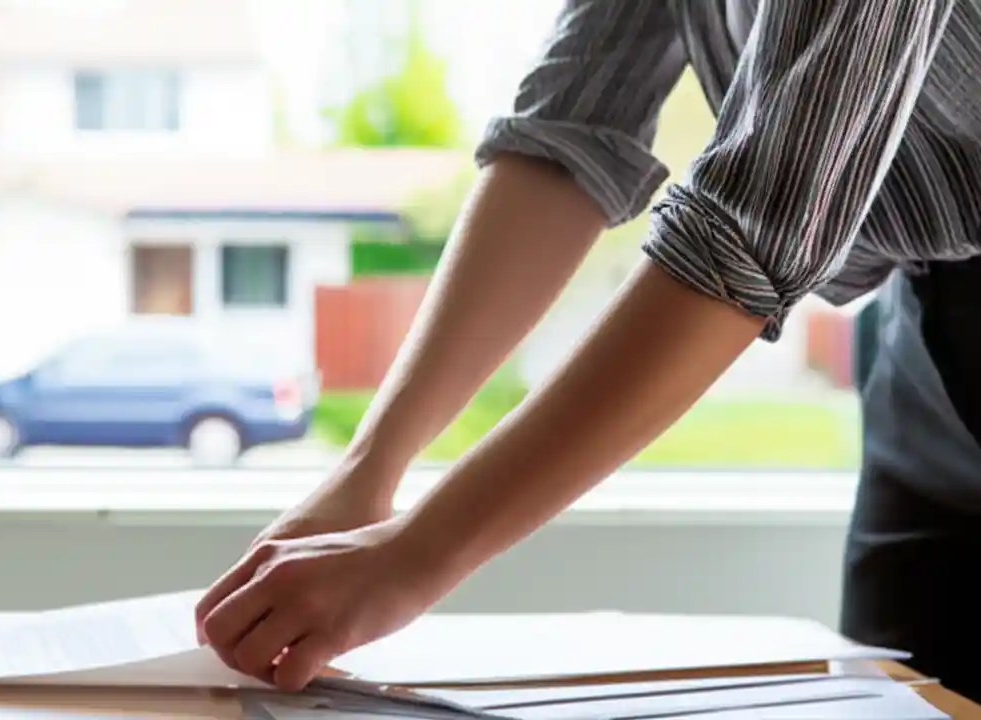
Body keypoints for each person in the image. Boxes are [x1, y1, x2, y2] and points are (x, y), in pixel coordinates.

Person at [194, 0, 981, 701]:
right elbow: (567, 134)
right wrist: (369, 473)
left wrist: (417, 553)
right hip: (923, 346)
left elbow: (751, 227)